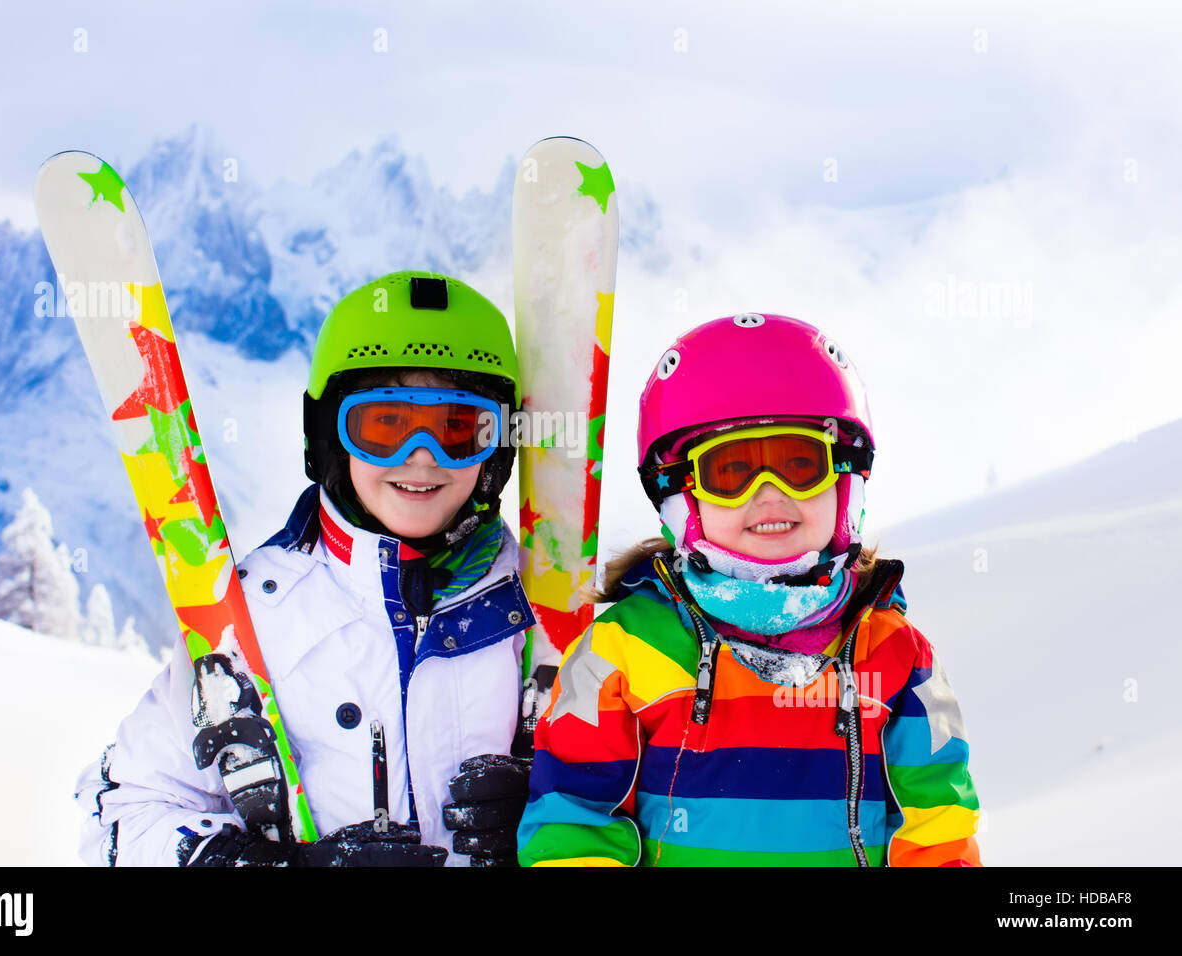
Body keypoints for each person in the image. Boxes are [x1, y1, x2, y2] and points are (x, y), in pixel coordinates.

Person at [75, 271, 534, 866]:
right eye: (384, 425)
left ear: (496, 448)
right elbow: (118, 813)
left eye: (457, 429)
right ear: (330, 437)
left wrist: (554, 817)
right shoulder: (250, 620)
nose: (421, 457)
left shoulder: (540, 611)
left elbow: (649, 806)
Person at [517, 312, 982, 866]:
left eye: (799, 464)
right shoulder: (623, 651)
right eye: (731, 471)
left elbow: (938, 833)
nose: (768, 494)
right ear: (681, 497)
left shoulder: (895, 654)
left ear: (845, 481)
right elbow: (573, 819)